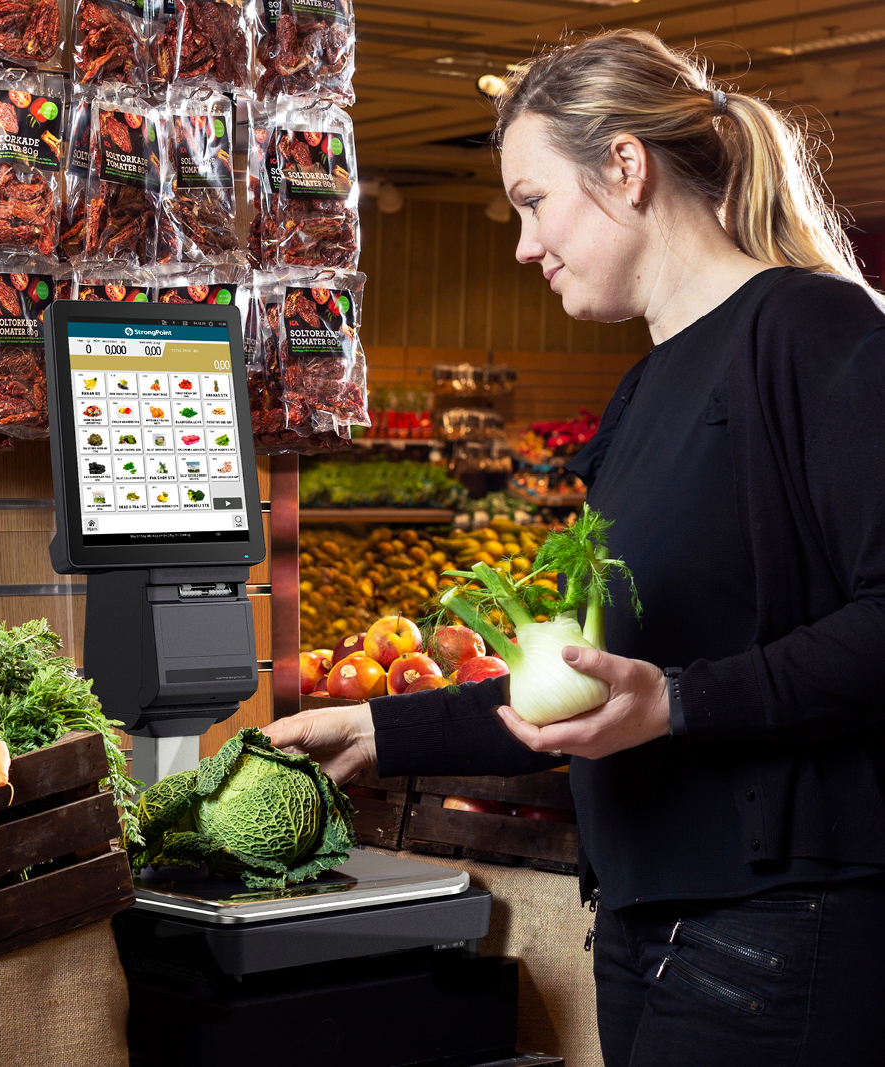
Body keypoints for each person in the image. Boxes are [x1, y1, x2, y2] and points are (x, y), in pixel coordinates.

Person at [263, 28, 885, 1067]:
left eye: (532, 200)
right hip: (647, 930)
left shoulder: (813, 332)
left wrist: (681, 702)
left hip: (784, 927)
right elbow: (590, 694)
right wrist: (374, 728)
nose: (521, 243)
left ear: (625, 169)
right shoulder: (641, 395)